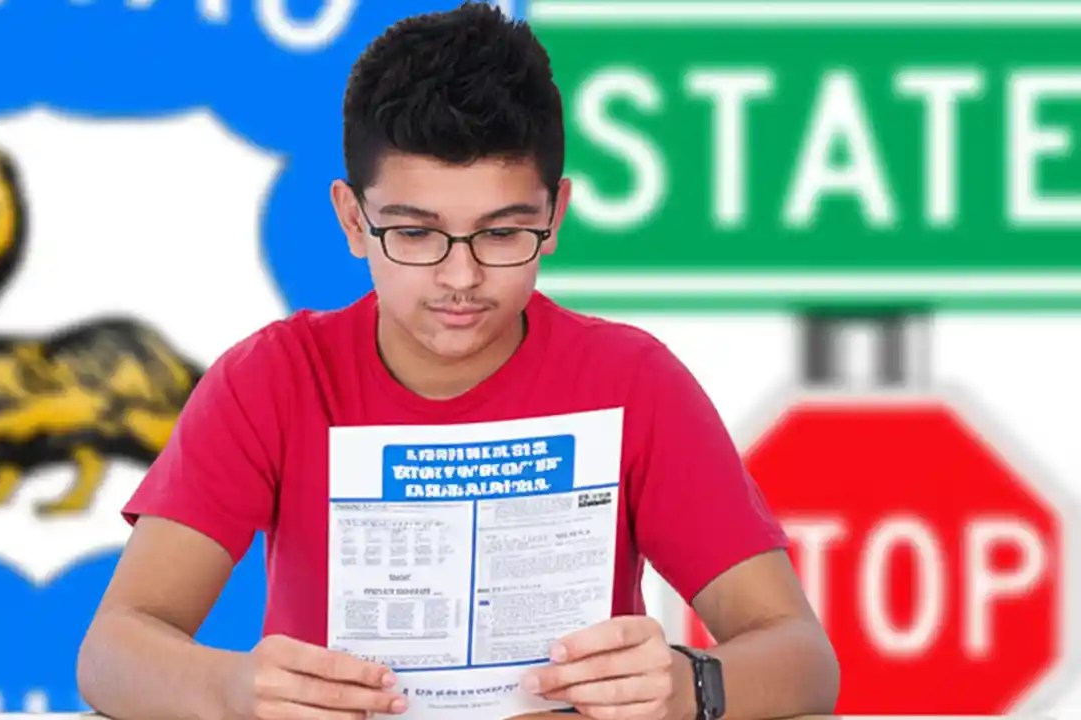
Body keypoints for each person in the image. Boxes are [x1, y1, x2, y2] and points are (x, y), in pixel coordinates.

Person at [76, 3, 840, 719]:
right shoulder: (275, 381)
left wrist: (686, 685)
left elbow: (804, 658)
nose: (460, 277)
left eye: (503, 234)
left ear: (556, 217)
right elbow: (111, 652)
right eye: (414, 234)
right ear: (352, 219)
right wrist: (234, 687)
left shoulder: (630, 382)